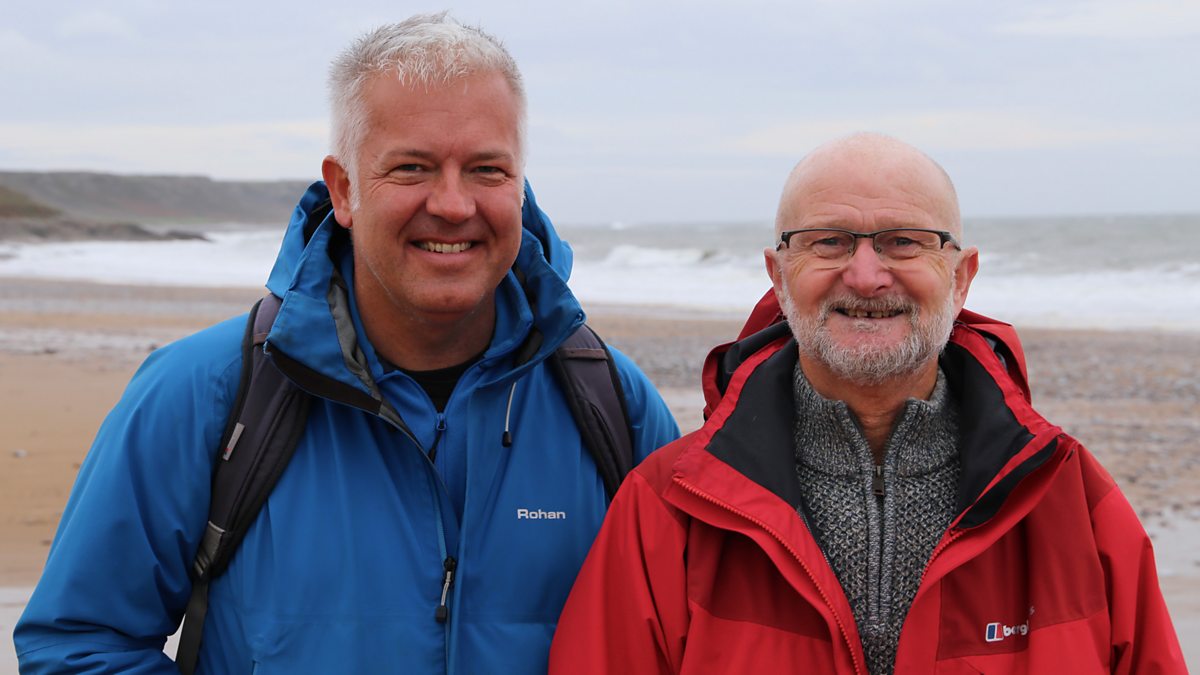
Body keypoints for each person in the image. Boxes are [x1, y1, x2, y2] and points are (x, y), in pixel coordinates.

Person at [14, 13, 678, 674]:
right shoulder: (204, 393)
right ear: (344, 189)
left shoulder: (613, 405)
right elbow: (77, 646)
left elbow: (686, 645)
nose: (452, 204)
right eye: (412, 167)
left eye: (486, 169)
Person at [549, 132, 1185, 674]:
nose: (865, 274)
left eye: (903, 241)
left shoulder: (1070, 501)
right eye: (828, 241)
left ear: (962, 276)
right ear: (778, 273)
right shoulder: (670, 508)